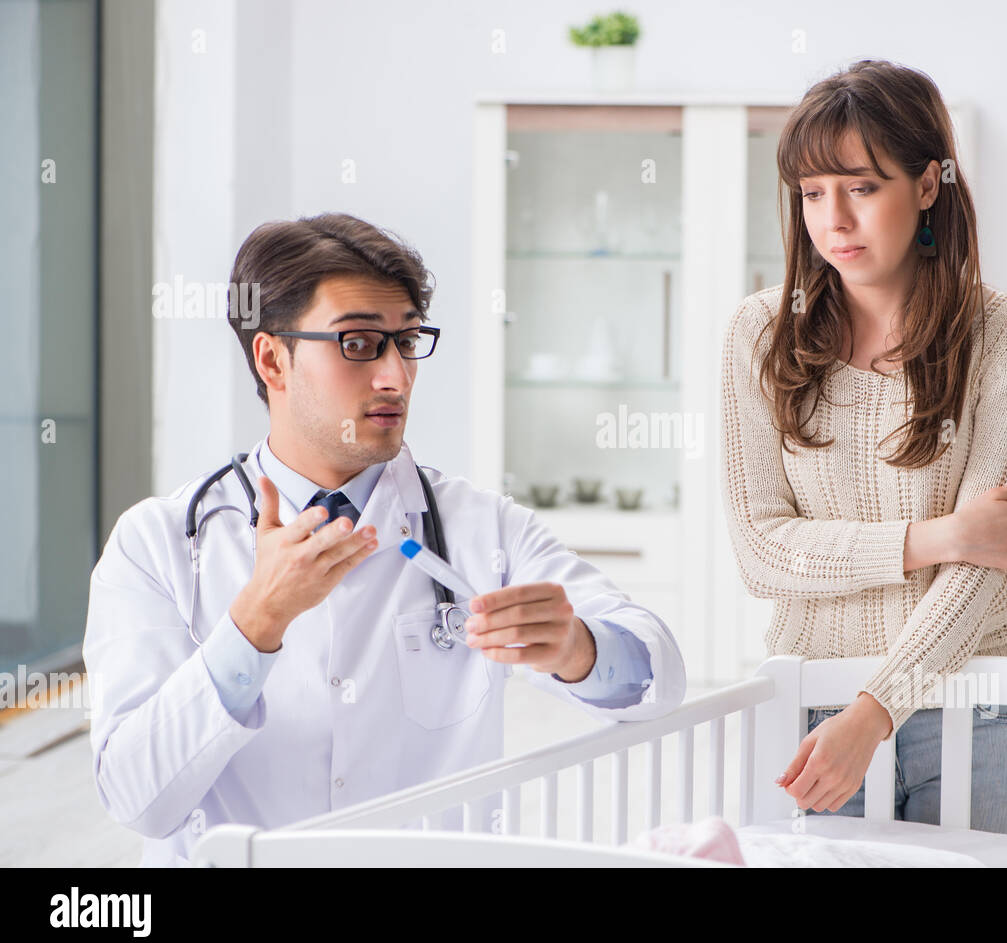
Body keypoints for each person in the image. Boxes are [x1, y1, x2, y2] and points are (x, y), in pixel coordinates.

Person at [83, 213, 687, 866]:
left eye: (407, 341)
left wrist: (579, 647)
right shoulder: (158, 545)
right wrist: (254, 624)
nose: (396, 376)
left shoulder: (481, 528)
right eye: (360, 343)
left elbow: (659, 675)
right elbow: (136, 796)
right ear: (272, 358)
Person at [720, 60, 1007, 832]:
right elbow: (760, 551)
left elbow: (982, 571)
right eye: (811, 192)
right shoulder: (758, 334)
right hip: (812, 690)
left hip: (977, 691)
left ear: (929, 184)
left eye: (862, 187)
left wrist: (874, 713)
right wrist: (937, 536)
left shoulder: (1006, 335)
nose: (833, 219)